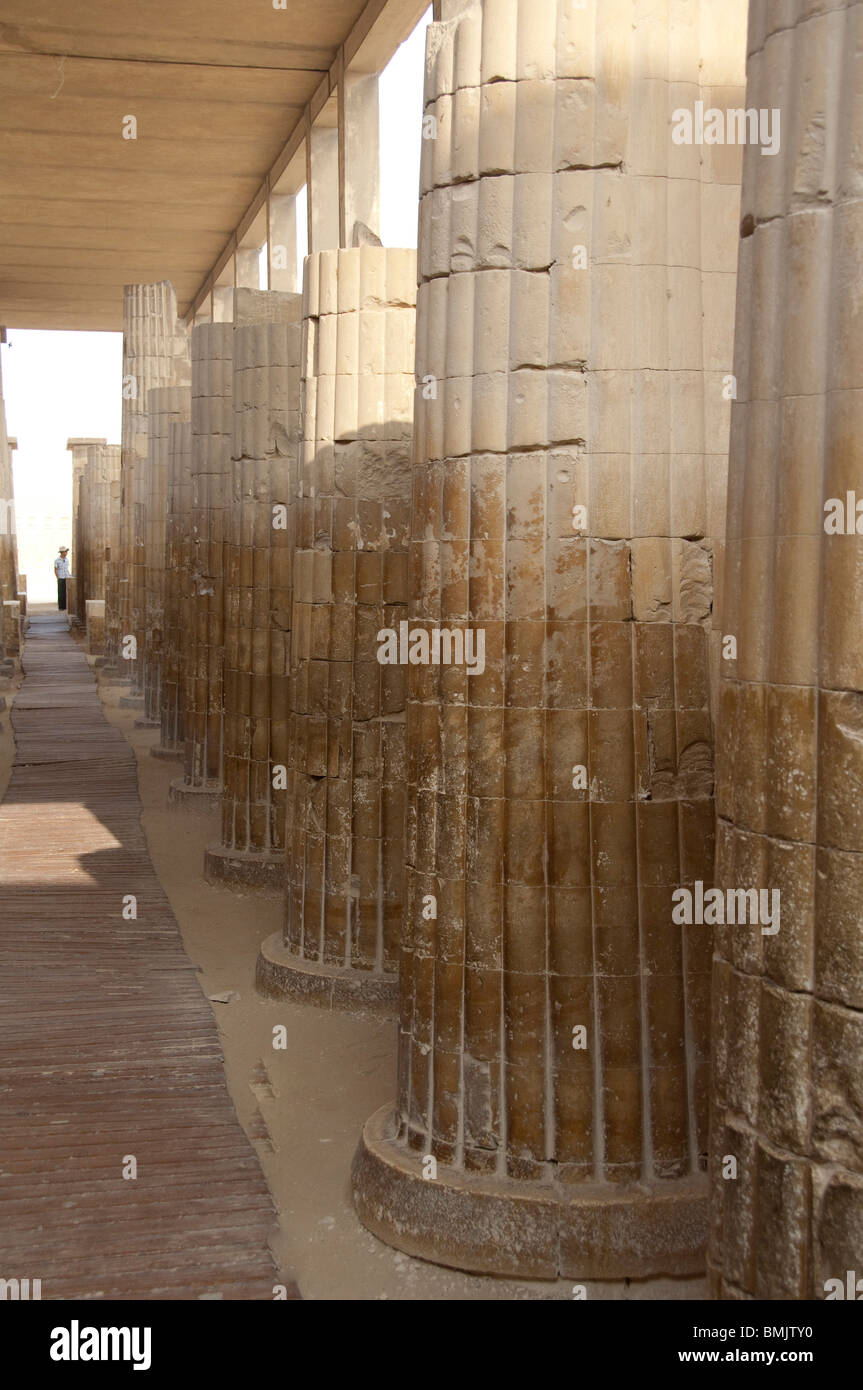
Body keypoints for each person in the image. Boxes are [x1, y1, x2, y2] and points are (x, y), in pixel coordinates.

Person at [54, 546, 71, 611]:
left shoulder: (67, 560)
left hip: (67, 577)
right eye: (65, 551)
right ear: (62, 552)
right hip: (61, 577)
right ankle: (61, 606)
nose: (66, 553)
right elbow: (55, 569)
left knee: (66, 592)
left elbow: (67, 568)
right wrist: (57, 577)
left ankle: (65, 606)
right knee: (61, 592)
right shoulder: (57, 560)